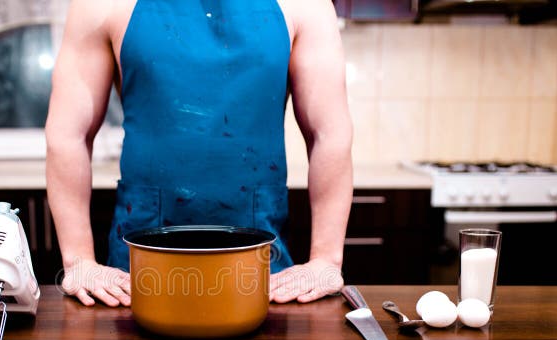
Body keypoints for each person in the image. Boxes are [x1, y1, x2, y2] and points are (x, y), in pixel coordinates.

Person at [46, 0, 353, 307]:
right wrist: (78, 262)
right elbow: (68, 134)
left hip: (263, 275)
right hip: (136, 276)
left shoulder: (306, 5)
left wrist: (326, 261)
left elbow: (329, 134)